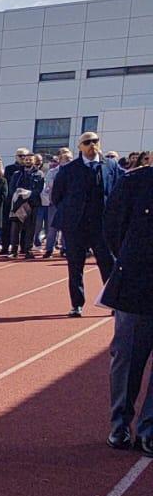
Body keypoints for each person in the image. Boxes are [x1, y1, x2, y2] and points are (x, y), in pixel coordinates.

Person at [103, 162, 153, 455]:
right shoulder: (136, 182)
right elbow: (112, 227)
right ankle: (119, 424)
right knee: (127, 360)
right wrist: (132, 260)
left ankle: (149, 430)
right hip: (136, 286)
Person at [51, 131, 125, 317]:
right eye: (87, 142)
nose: (92, 144)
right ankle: (76, 304)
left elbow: (120, 190)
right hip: (76, 226)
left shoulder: (111, 165)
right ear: (80, 147)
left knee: (108, 264)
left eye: (95, 141)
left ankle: (113, 302)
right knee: (75, 266)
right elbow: (57, 196)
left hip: (102, 226)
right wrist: (72, 213)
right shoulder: (69, 169)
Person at [5, 154, 44, 258]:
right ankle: (14, 251)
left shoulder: (39, 174)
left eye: (30, 159)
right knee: (15, 228)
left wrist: (29, 193)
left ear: (34, 161)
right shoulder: (17, 174)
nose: (27, 161)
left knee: (30, 228)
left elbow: (39, 189)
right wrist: (18, 194)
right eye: (26, 159)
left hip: (32, 203)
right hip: (18, 203)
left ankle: (28, 250)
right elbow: (12, 188)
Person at [41, 149, 72, 257]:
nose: (69, 161)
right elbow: (50, 184)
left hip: (69, 203)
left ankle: (65, 248)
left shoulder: (75, 171)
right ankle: (49, 249)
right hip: (55, 202)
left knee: (67, 227)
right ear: (60, 160)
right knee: (52, 227)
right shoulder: (53, 171)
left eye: (70, 159)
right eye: (66, 159)